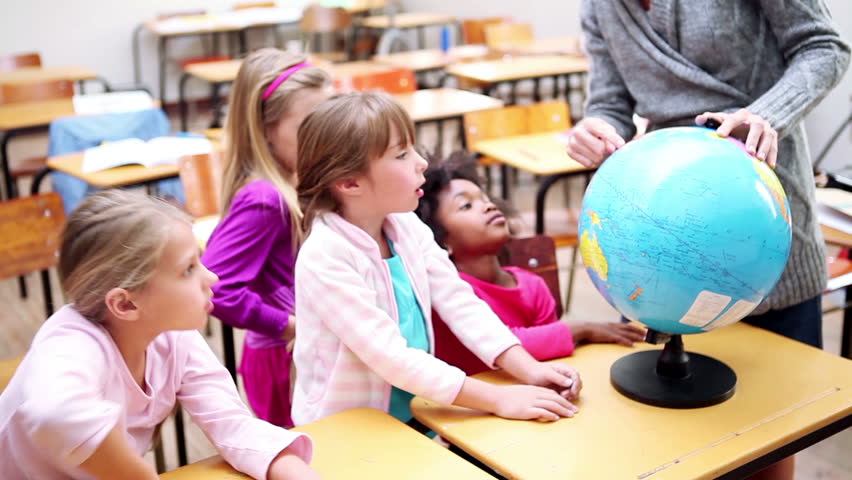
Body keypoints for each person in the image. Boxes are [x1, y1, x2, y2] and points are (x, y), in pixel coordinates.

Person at [567, 2, 849, 478]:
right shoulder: (600, 6)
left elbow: (824, 47)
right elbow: (610, 103)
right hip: (655, 233)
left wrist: (765, 116)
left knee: (770, 433)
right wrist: (596, 129)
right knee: (662, 442)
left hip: (758, 212)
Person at [291, 91, 583, 427]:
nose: (421, 163)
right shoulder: (326, 256)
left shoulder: (405, 225)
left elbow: (460, 303)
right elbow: (390, 357)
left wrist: (529, 369)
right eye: (402, 154)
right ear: (349, 182)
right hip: (350, 432)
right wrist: (498, 398)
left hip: (418, 412)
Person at [0, 190, 318, 480]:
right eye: (188, 269)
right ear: (125, 304)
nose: (212, 277)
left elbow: (233, 426)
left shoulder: (173, 335)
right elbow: (53, 413)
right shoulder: (69, 345)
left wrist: (297, 474)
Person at [414, 153, 646, 376]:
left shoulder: (532, 285)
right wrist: (581, 328)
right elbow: (497, 344)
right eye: (466, 205)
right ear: (439, 240)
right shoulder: (446, 293)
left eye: (485, 198)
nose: (488, 206)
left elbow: (551, 357)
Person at [201, 48, 333, 428]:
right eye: (309, 126)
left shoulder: (292, 179)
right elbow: (216, 289)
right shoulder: (265, 198)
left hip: (300, 353)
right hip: (284, 361)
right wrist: (291, 326)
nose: (325, 137)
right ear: (266, 131)